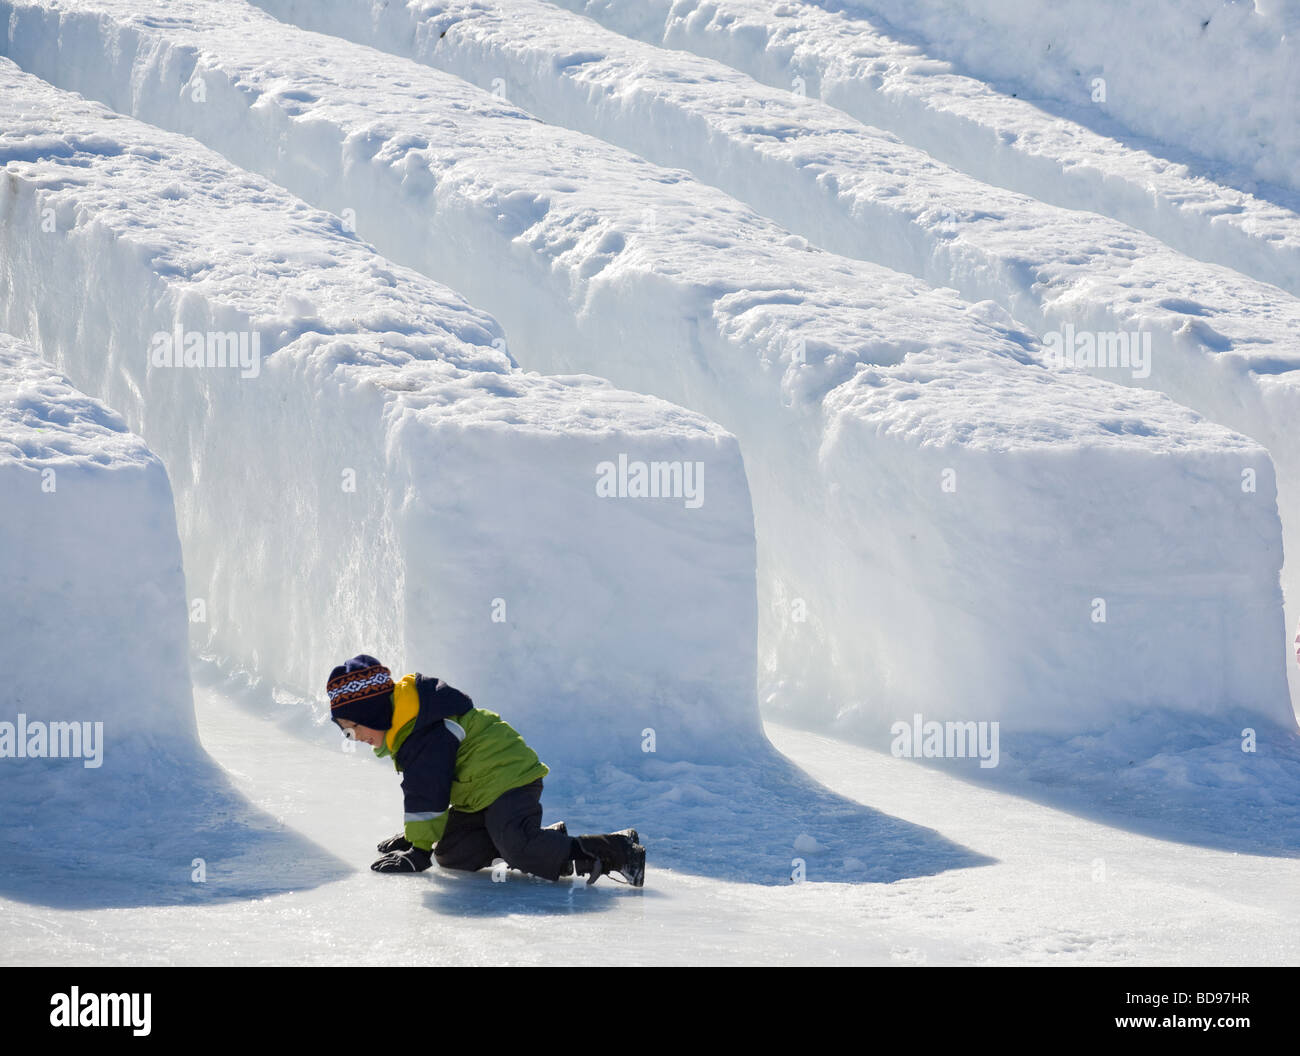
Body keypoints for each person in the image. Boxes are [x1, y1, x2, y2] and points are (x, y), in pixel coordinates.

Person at [326, 654, 645, 886]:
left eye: (351, 731)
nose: (354, 739)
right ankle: (544, 843)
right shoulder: (408, 728)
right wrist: (417, 839)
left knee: (517, 846)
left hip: (509, 779)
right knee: (454, 855)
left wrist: (419, 849)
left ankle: (618, 851)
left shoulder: (422, 730)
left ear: (373, 713)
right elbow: (426, 793)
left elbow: (429, 790)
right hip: (480, 794)